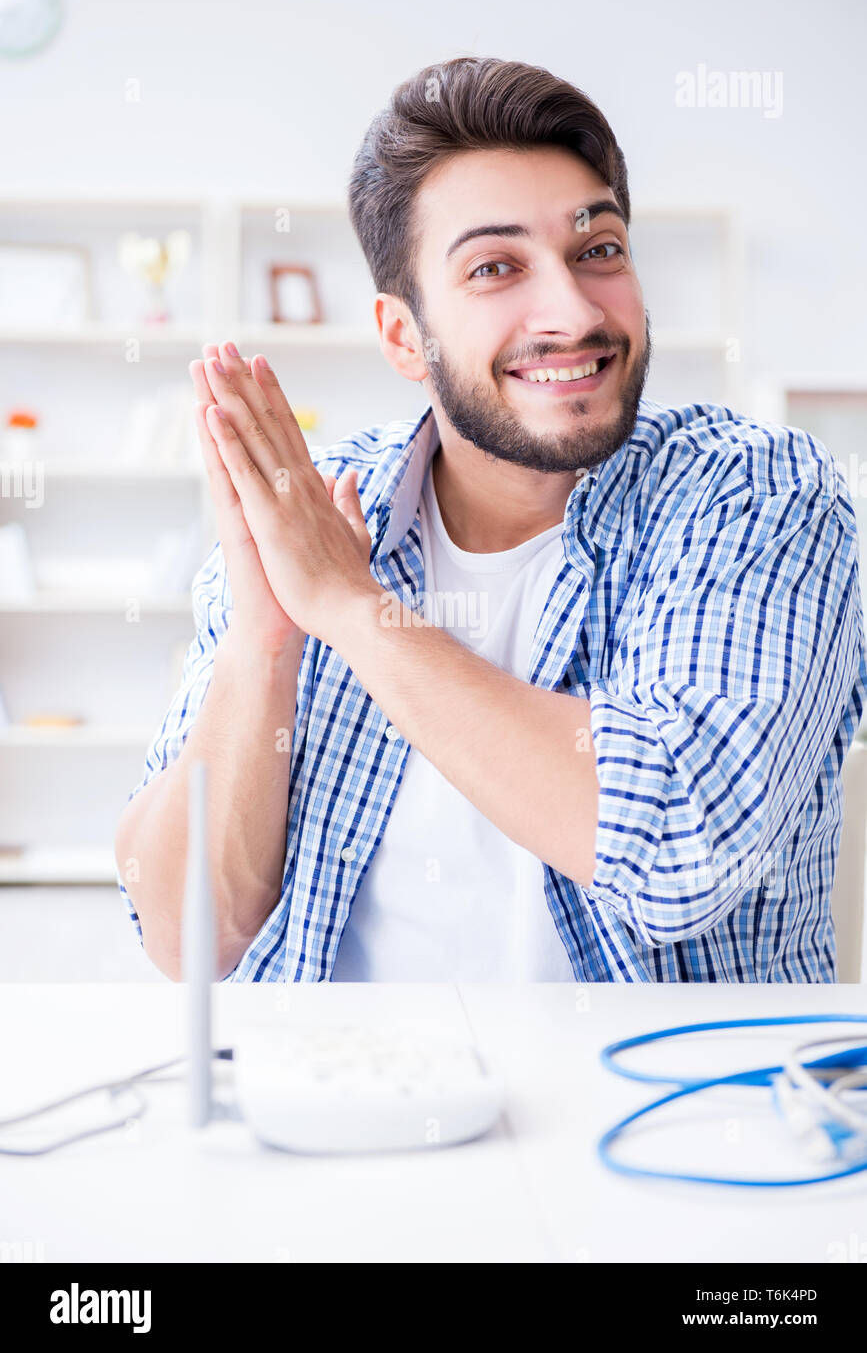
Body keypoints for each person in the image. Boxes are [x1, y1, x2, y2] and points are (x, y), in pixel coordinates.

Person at [114, 56, 867, 984]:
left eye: (597, 250)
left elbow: (681, 848)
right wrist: (266, 643)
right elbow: (185, 939)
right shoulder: (317, 513)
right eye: (495, 267)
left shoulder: (758, 493)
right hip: (338, 1109)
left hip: (666, 1119)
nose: (571, 309)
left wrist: (350, 610)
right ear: (403, 336)